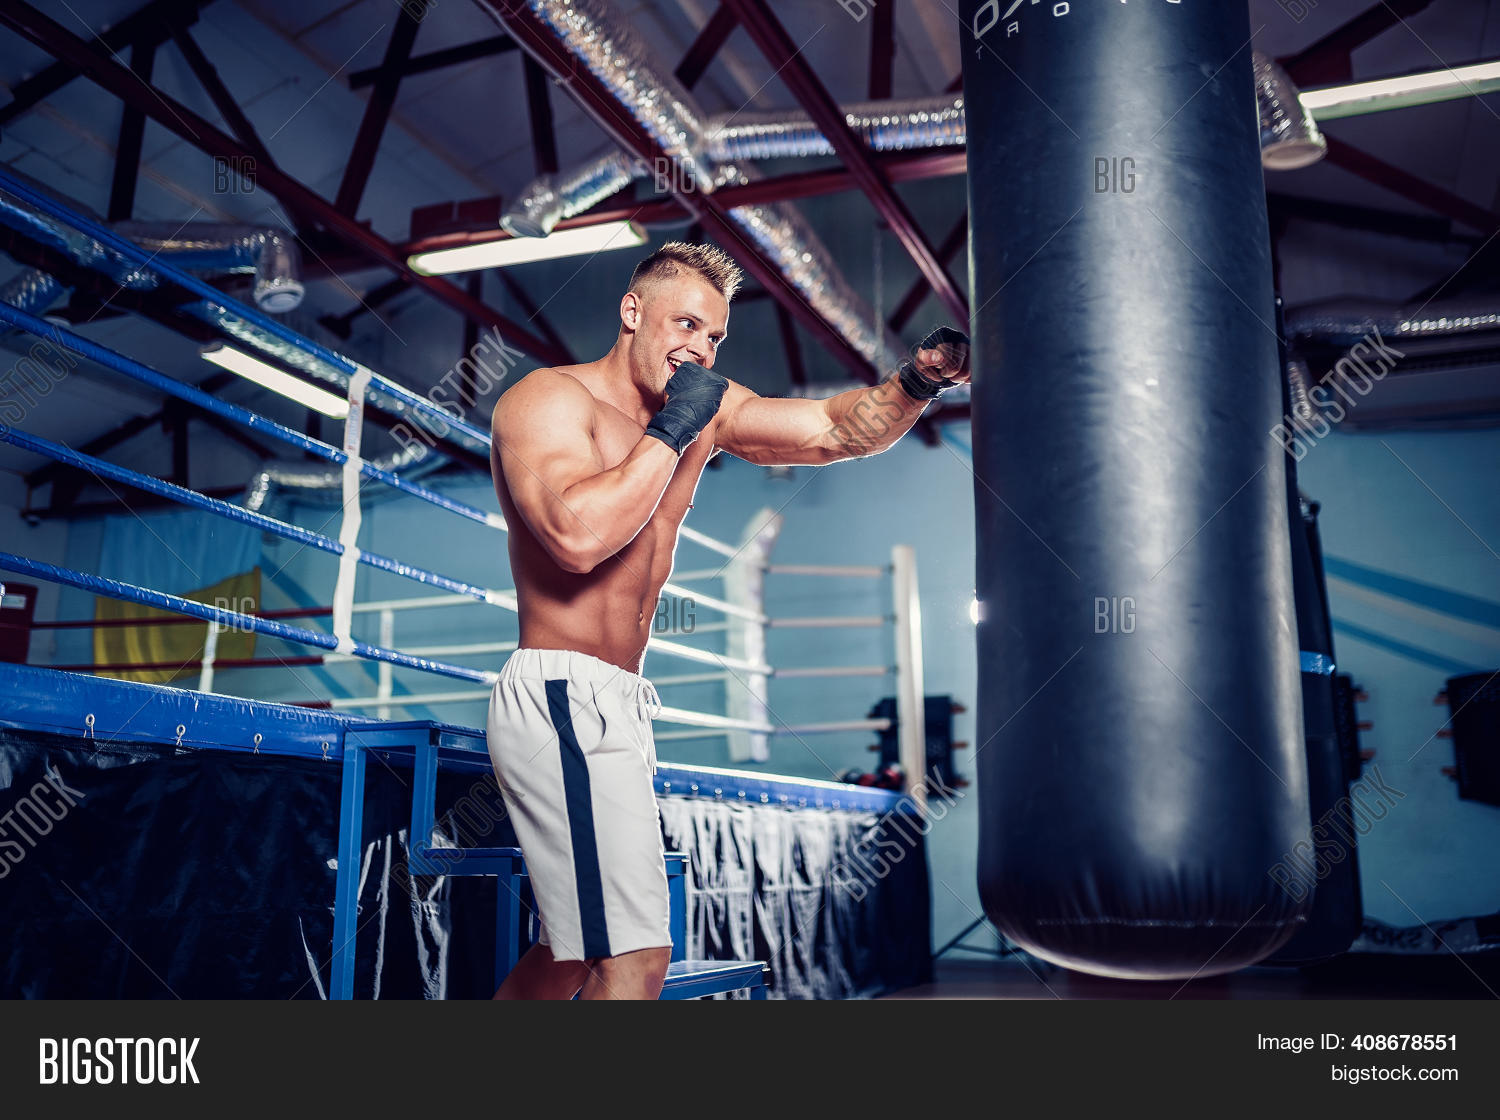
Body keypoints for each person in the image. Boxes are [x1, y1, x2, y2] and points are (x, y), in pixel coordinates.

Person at [485, 241, 969, 999]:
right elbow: (577, 540)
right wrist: (674, 430)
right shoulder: (548, 401)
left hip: (619, 700)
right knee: (638, 957)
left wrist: (915, 382)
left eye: (714, 337)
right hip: (560, 693)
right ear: (632, 311)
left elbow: (838, 430)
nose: (699, 348)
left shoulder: (702, 410)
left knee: (570, 954)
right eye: (685, 324)